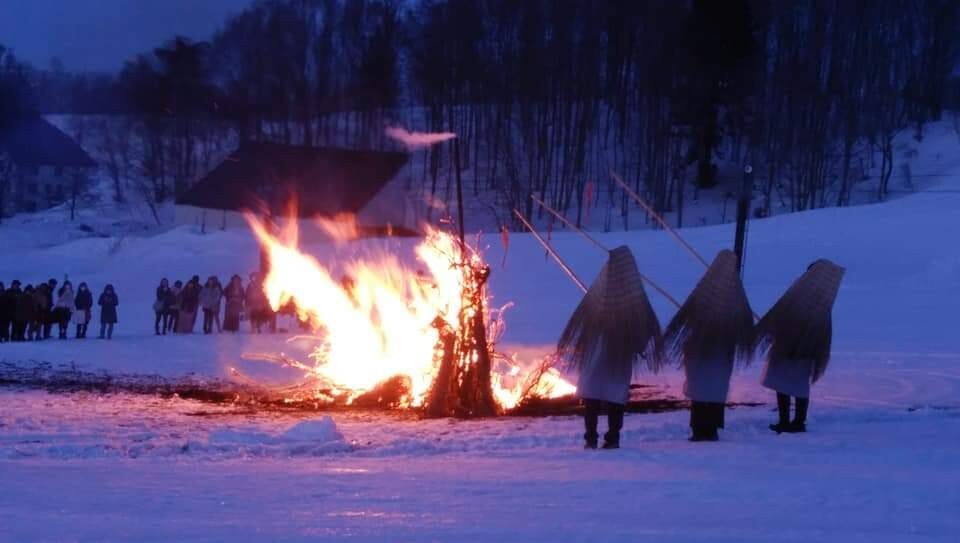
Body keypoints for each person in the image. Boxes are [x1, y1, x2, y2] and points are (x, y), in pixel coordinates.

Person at [556, 246, 663, 449]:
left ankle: (595, 437)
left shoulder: (608, 290)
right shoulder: (628, 293)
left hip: (606, 352)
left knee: (595, 396)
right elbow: (646, 326)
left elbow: (586, 321)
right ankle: (609, 437)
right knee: (610, 396)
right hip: (612, 352)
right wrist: (636, 343)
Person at [663, 250, 755, 442]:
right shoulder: (732, 295)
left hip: (708, 350)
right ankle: (707, 429)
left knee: (704, 389)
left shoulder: (712, 293)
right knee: (712, 389)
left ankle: (702, 429)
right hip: (714, 350)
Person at [756, 260, 845, 434]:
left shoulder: (801, 295)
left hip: (789, 347)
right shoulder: (823, 301)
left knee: (784, 384)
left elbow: (781, 313)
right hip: (804, 349)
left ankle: (787, 421)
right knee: (798, 385)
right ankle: (797, 422)